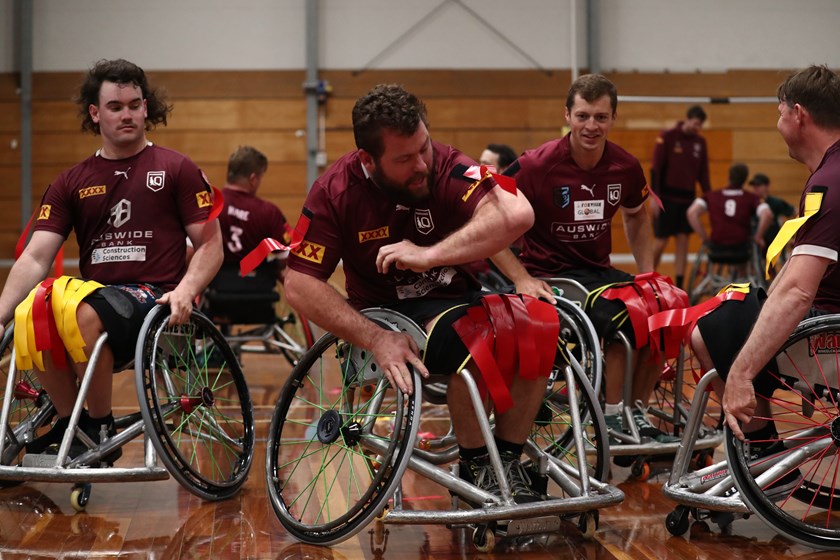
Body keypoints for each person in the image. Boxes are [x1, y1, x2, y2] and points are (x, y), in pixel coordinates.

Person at [282, 84, 552, 504]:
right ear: (368, 160)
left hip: (457, 300)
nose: (422, 164)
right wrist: (374, 337)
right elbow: (298, 283)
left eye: (424, 147)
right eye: (405, 159)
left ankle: (506, 461)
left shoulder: (445, 164)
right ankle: (480, 463)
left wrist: (429, 255)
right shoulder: (334, 191)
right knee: (476, 336)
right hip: (388, 315)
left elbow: (518, 214)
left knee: (539, 324)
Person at [0, 59, 223, 463]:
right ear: (95, 112)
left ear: (146, 107)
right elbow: (35, 256)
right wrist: (0, 314)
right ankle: (75, 427)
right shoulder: (71, 182)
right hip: (100, 296)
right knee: (32, 311)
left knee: (86, 312)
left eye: (135, 105)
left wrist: (187, 290)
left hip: (154, 299)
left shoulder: (177, 168)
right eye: (116, 106)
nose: (128, 114)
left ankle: (99, 424)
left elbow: (211, 245)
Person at [490, 73, 683, 445]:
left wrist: (647, 275)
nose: (591, 126)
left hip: (597, 274)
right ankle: (610, 417)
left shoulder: (625, 166)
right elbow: (488, 220)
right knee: (622, 316)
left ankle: (635, 412)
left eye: (600, 117)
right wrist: (521, 278)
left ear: (613, 118)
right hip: (553, 277)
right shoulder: (536, 165)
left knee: (664, 306)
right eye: (582, 116)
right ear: (567, 115)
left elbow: (637, 215)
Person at [690, 65, 840, 458]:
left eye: (779, 112)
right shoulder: (829, 169)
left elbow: (797, 291)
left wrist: (741, 374)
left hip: (829, 334)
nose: (778, 122)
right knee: (739, 305)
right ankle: (763, 441)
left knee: (708, 327)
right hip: (828, 318)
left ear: (798, 114)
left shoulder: (831, 179)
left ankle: (759, 445)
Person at [651, 105, 711, 289]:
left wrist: (708, 197)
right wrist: (654, 197)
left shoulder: (700, 143)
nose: (697, 128)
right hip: (666, 198)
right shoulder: (668, 136)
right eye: (695, 124)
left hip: (687, 199)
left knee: (683, 241)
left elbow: (703, 173)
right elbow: (656, 169)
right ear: (688, 119)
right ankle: (647, 277)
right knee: (661, 241)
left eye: (699, 125)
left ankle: (679, 284)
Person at [218, 145, 289, 280]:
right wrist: (271, 267)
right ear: (253, 178)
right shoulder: (269, 211)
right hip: (258, 294)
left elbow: (191, 252)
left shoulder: (210, 204)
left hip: (217, 292)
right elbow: (285, 258)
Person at [686, 163, 773, 260]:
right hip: (741, 247)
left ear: (729, 177)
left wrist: (704, 237)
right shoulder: (751, 198)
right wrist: (758, 236)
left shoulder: (711, 196)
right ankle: (742, 274)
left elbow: (691, 213)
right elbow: (767, 214)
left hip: (717, 246)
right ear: (744, 179)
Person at [748, 172, 796, 249]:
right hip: (754, 245)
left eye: (758, 185)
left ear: (767, 186)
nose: (755, 188)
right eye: (754, 186)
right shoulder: (750, 203)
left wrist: (791, 237)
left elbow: (795, 213)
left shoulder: (775, 202)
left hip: (774, 244)